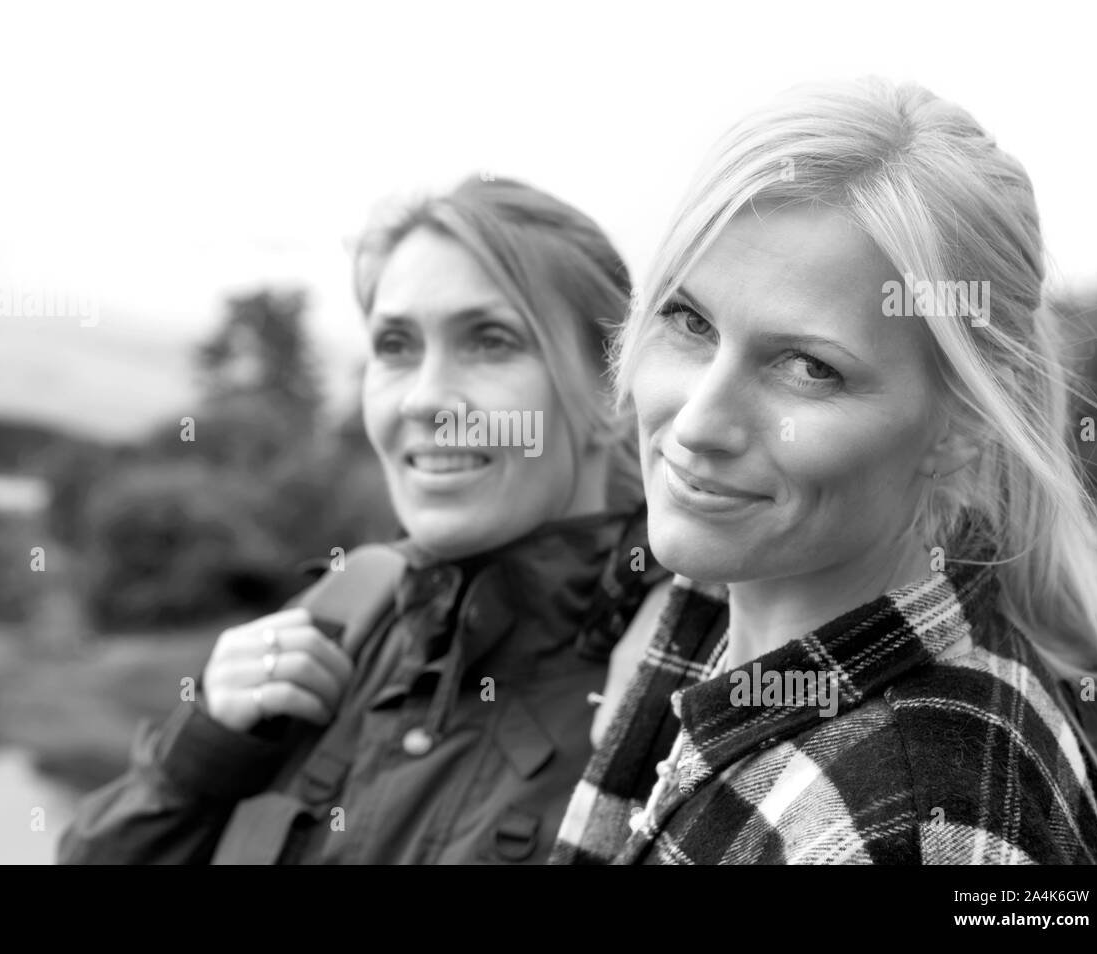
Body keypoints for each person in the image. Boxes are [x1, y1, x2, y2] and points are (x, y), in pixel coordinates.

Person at [552, 78, 1097, 865]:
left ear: (962, 427)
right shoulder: (730, 612)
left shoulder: (917, 826)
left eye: (807, 368)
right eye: (688, 320)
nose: (696, 424)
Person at [57, 175, 667, 864]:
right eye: (396, 346)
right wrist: (202, 753)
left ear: (615, 393)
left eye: (492, 340)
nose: (425, 399)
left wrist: (694, 592)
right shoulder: (347, 613)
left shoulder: (674, 695)